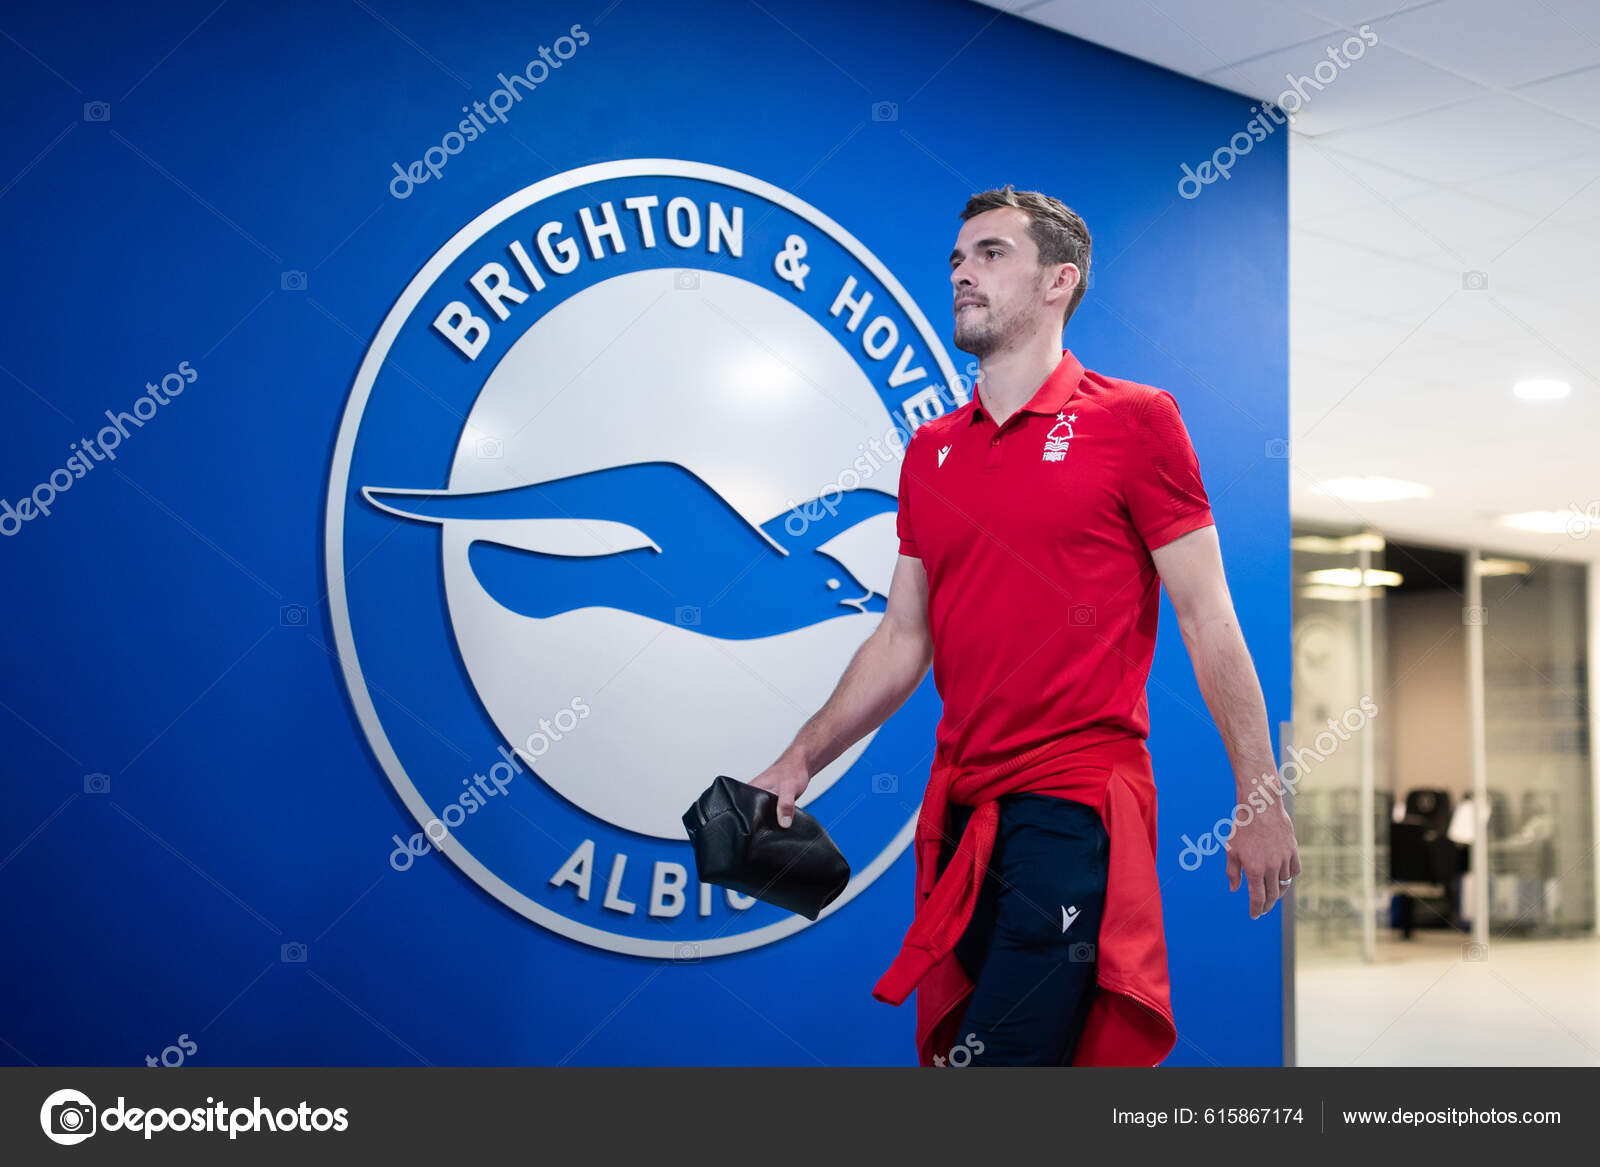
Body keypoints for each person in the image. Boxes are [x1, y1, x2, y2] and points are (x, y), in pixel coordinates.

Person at [750, 184, 1299, 1066]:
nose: (964, 272)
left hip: (1072, 808)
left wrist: (1261, 792)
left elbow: (1208, 616)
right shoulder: (931, 449)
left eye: (992, 254)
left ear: (1059, 281)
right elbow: (900, 638)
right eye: (959, 258)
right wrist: (796, 760)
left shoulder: (1135, 421)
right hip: (963, 808)